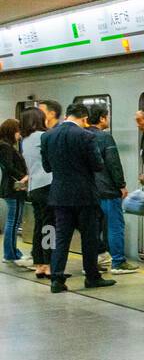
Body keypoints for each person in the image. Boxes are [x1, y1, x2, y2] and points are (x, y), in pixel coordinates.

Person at [41, 102, 114, 293]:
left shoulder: (48, 136)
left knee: (61, 238)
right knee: (89, 238)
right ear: (84, 118)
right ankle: (92, 277)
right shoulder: (86, 136)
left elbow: (47, 167)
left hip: (59, 196)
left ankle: (57, 279)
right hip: (84, 196)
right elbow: (97, 165)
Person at [87, 106, 137, 274]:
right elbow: (113, 164)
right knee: (115, 226)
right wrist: (121, 185)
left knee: (93, 228)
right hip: (107, 190)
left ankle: (91, 264)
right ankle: (118, 262)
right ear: (102, 118)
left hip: (89, 191)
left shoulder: (82, 136)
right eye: (106, 117)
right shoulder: (105, 138)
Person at [19, 109, 52, 279]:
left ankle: (39, 263)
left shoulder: (25, 140)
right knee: (49, 226)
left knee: (39, 225)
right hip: (47, 185)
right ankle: (48, 263)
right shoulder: (42, 136)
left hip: (34, 187)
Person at [1, 118, 30, 266]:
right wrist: (23, 177)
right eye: (18, 130)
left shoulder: (6, 146)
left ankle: (12, 252)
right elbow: (8, 167)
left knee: (13, 220)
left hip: (11, 188)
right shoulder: (5, 147)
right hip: (14, 189)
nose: (19, 134)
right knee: (13, 222)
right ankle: (10, 254)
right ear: (12, 131)